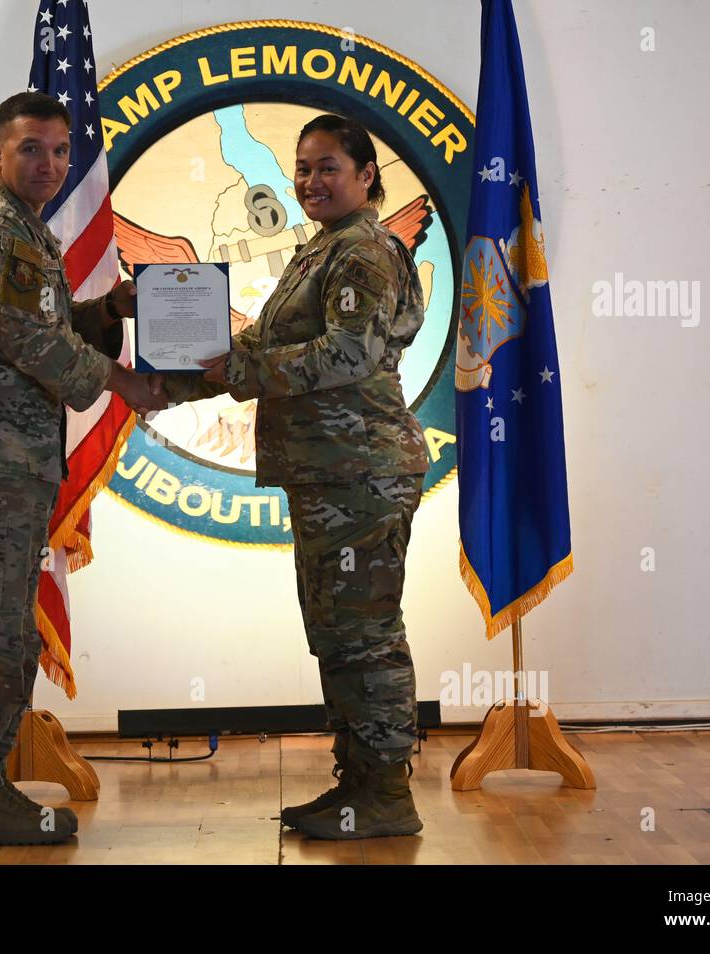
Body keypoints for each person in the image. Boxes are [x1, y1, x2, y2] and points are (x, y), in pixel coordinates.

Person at [164, 115, 430, 839]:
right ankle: (359, 782)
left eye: (329, 167)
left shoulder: (366, 251)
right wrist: (167, 378)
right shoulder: (323, 250)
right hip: (330, 475)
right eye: (302, 168)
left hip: (361, 474)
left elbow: (348, 355)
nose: (311, 181)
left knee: (365, 634)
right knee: (338, 632)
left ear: (367, 174)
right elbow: (252, 345)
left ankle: (384, 795)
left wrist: (237, 369)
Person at [0, 92, 165, 845]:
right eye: (31, 149)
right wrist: (125, 383)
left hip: (6, 457)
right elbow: (28, 341)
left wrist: (114, 305)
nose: (50, 165)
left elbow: (33, 328)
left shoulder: (23, 229)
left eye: (60, 151)